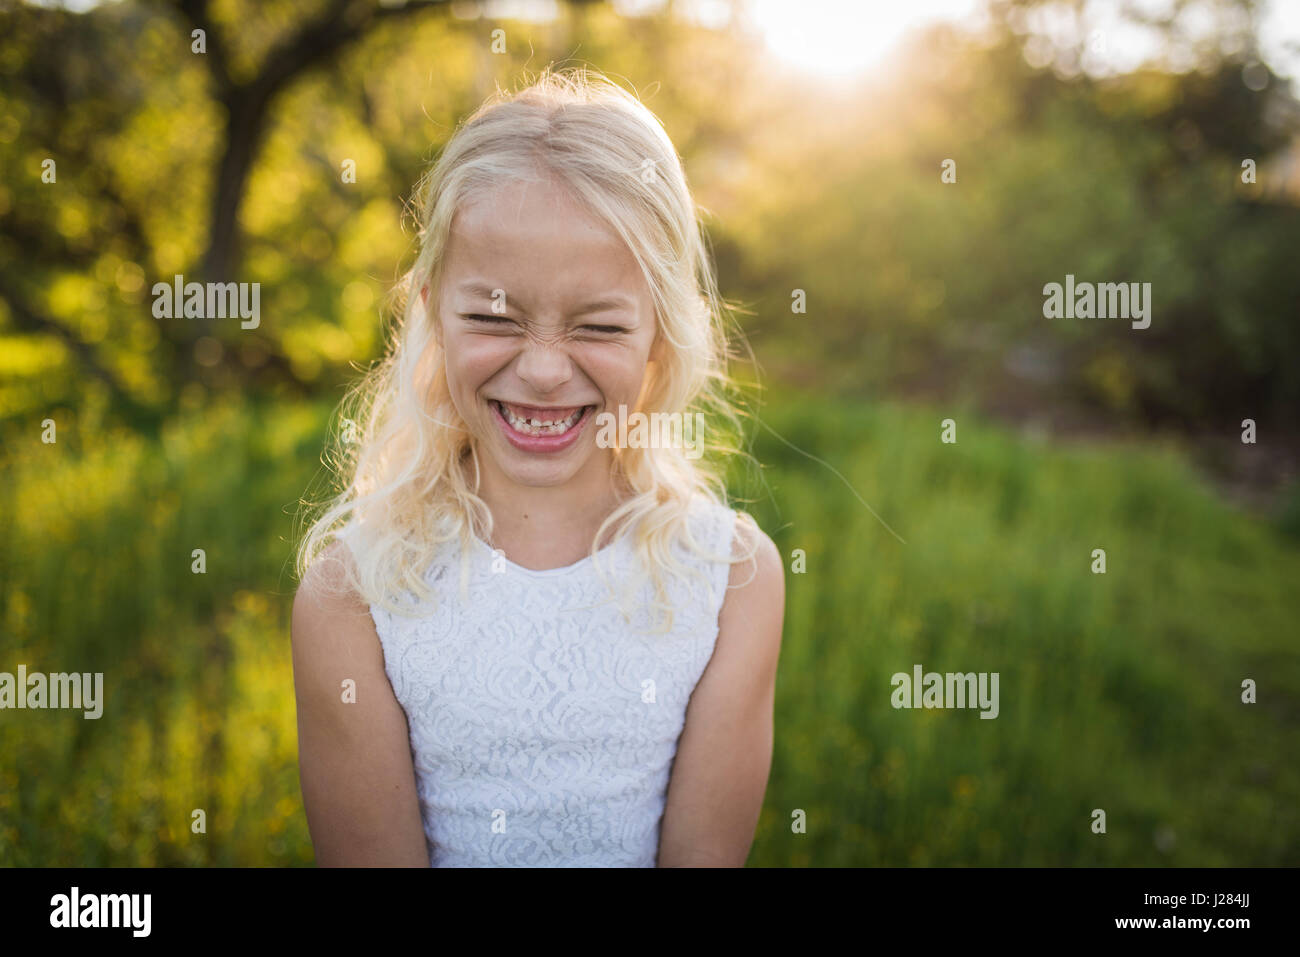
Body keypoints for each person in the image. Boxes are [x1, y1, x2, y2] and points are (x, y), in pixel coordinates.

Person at [291, 67, 784, 867]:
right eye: (493, 316)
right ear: (430, 315)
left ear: (659, 334)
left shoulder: (732, 582)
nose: (546, 370)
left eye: (596, 325)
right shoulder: (352, 598)